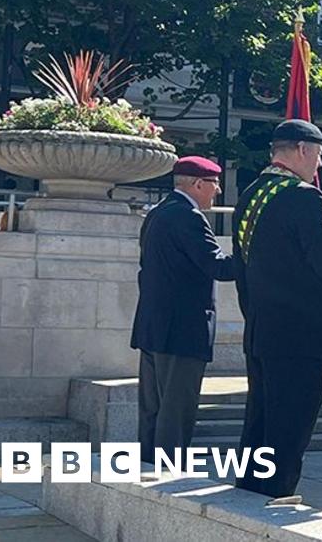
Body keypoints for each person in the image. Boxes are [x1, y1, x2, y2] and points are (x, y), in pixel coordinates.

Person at [232, 119, 322, 497]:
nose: (320, 164)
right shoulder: (304, 197)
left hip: (261, 331)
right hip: (300, 337)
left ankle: (244, 501)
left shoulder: (251, 195)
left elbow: (241, 269)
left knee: (258, 428)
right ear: (303, 150)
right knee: (287, 434)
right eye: (318, 155)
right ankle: (273, 507)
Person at [131, 156, 235, 464]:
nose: (217, 191)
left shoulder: (158, 213)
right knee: (176, 412)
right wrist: (255, 256)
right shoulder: (189, 217)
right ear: (198, 184)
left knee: (152, 410)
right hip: (182, 329)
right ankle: (168, 476)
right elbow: (218, 266)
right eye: (215, 184)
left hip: (153, 327)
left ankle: (146, 470)